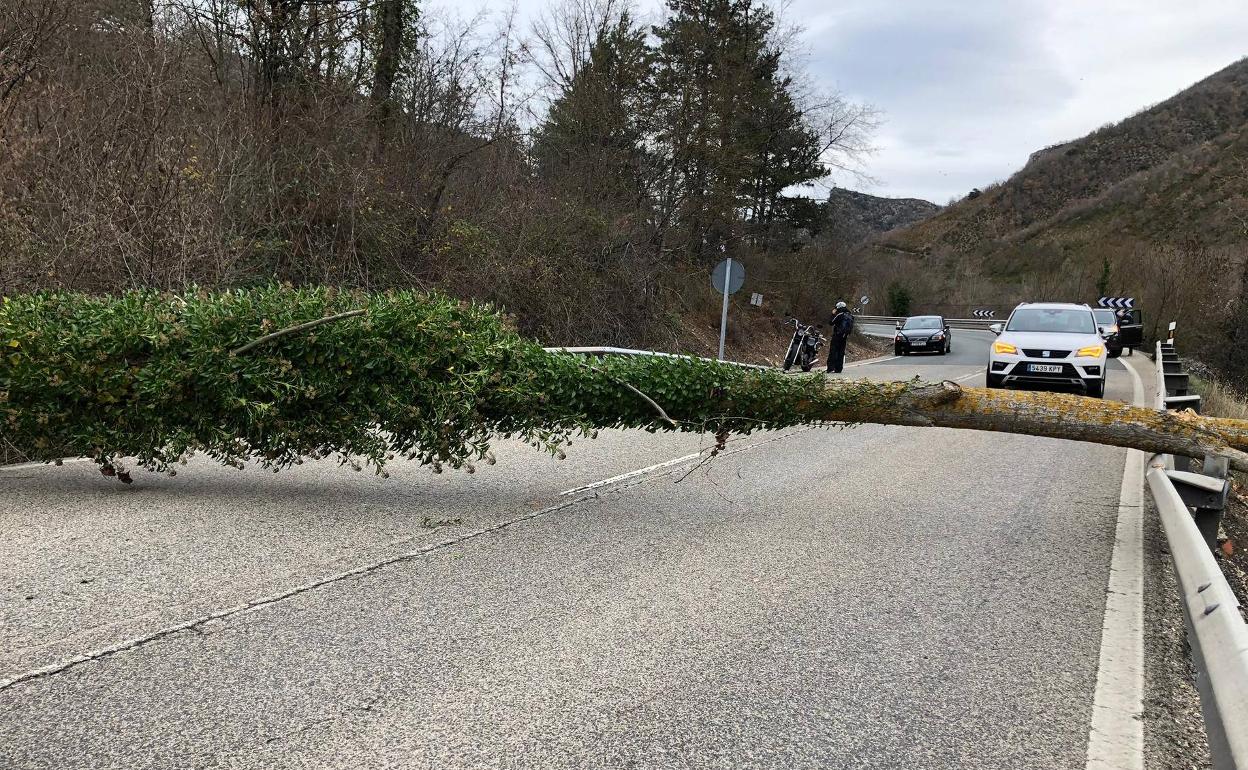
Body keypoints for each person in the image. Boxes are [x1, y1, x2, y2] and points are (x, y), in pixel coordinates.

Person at [826, 301, 854, 373]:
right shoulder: (850, 315)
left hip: (837, 335)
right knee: (841, 352)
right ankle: (838, 369)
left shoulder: (840, 314)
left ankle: (830, 367)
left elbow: (831, 322)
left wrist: (832, 314)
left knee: (833, 351)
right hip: (845, 336)